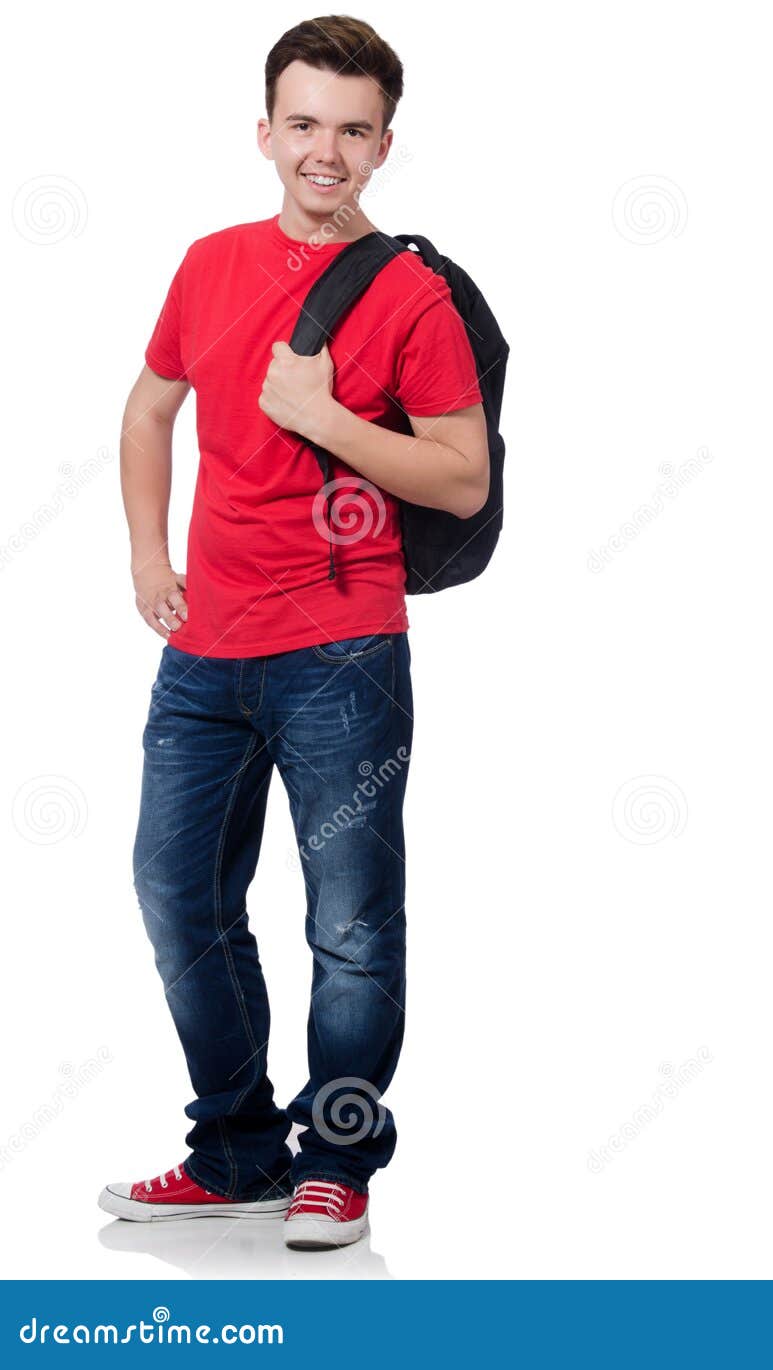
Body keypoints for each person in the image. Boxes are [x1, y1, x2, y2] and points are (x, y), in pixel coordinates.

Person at [102, 15, 489, 1250]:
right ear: (265, 132)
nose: (326, 151)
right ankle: (234, 1151)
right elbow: (149, 410)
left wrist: (324, 415)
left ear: (384, 145)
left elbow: (462, 478)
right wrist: (147, 554)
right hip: (204, 647)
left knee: (352, 919)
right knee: (176, 890)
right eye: (305, 124)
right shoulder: (208, 262)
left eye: (353, 130)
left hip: (341, 652)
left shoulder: (410, 295)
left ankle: (340, 1162)